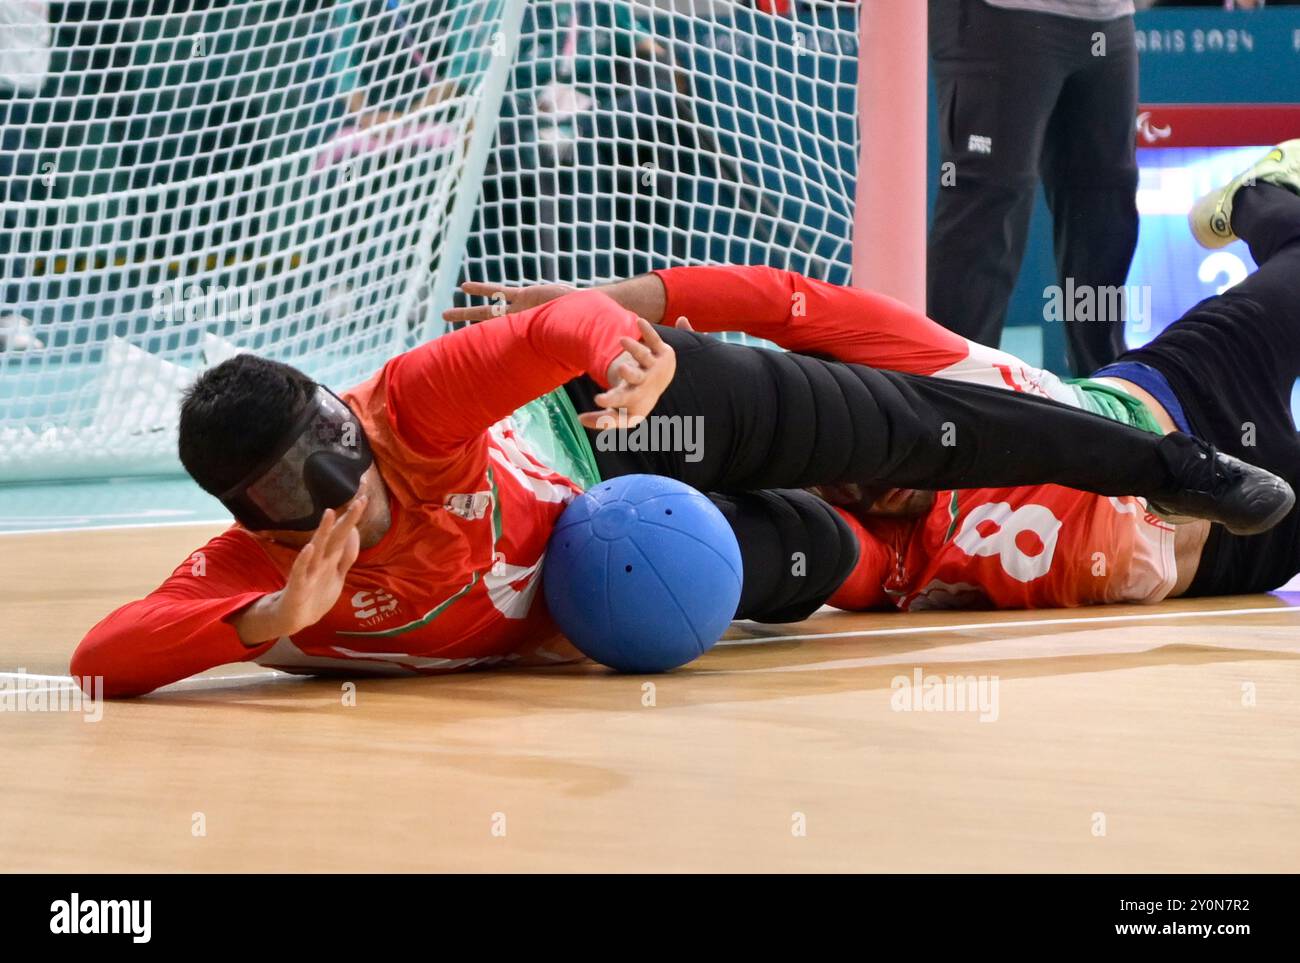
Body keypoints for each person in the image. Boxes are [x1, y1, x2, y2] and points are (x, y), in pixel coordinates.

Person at [70, 250, 1289, 696]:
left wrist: (625, 352)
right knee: (775, 565)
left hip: (636, 419)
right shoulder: (260, 578)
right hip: (628, 542)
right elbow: (101, 658)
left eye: (340, 427)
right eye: (301, 485)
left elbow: (551, 339)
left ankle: (1170, 463)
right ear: (253, 520)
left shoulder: (411, 411)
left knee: (924, 430)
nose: (351, 472)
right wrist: (267, 618)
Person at [467, 141, 1300, 611]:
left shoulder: (904, 362)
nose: (877, 483)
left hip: (1179, 392)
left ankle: (1258, 189)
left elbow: (774, 295)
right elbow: (778, 558)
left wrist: (601, 304)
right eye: (851, 483)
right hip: (1221, 563)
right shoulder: (891, 557)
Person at [926, 0, 1139, 376]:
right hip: (998, 15)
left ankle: (1109, 394)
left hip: (1108, 18)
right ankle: (952, 398)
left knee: (1106, 212)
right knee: (989, 207)